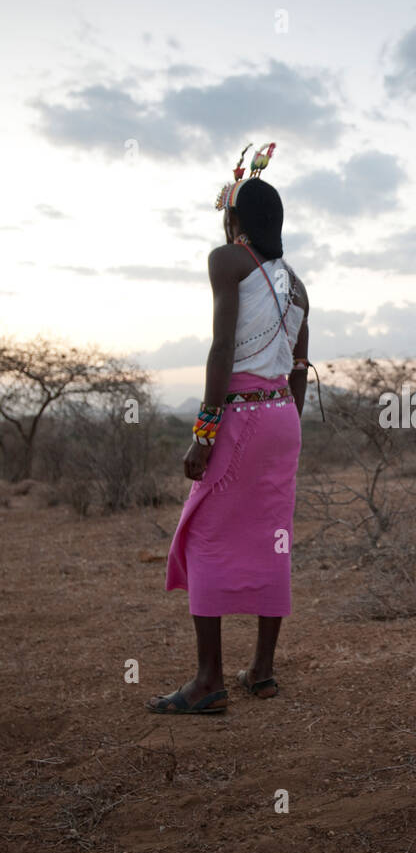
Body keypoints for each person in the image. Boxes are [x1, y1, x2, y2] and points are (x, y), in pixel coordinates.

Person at [150, 142, 310, 714]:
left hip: (239, 417)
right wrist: (286, 421)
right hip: (281, 421)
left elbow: (221, 350)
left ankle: (209, 681)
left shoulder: (226, 262)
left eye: (227, 213)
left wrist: (205, 431)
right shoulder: (298, 286)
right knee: (275, 536)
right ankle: (261, 672)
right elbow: (298, 370)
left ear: (236, 218)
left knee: (205, 534)